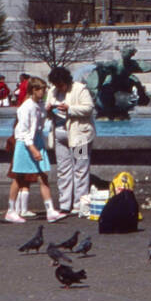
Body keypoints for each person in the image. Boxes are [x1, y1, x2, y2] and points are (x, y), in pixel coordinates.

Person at [5, 76, 67, 223]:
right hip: (27, 143)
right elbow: (25, 131)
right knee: (19, 178)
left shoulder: (39, 105)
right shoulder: (26, 107)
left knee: (43, 176)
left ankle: (50, 210)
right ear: (34, 90)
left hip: (38, 141)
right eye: (42, 90)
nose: (44, 93)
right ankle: (11, 210)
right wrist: (33, 148)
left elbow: (42, 117)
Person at [47, 66, 95, 217]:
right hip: (59, 135)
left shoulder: (80, 89)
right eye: (56, 85)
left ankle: (80, 204)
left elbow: (89, 108)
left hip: (80, 135)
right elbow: (46, 109)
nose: (59, 87)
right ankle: (65, 203)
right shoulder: (52, 91)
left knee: (81, 169)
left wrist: (70, 109)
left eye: (60, 84)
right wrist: (48, 109)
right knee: (63, 170)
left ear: (66, 81)